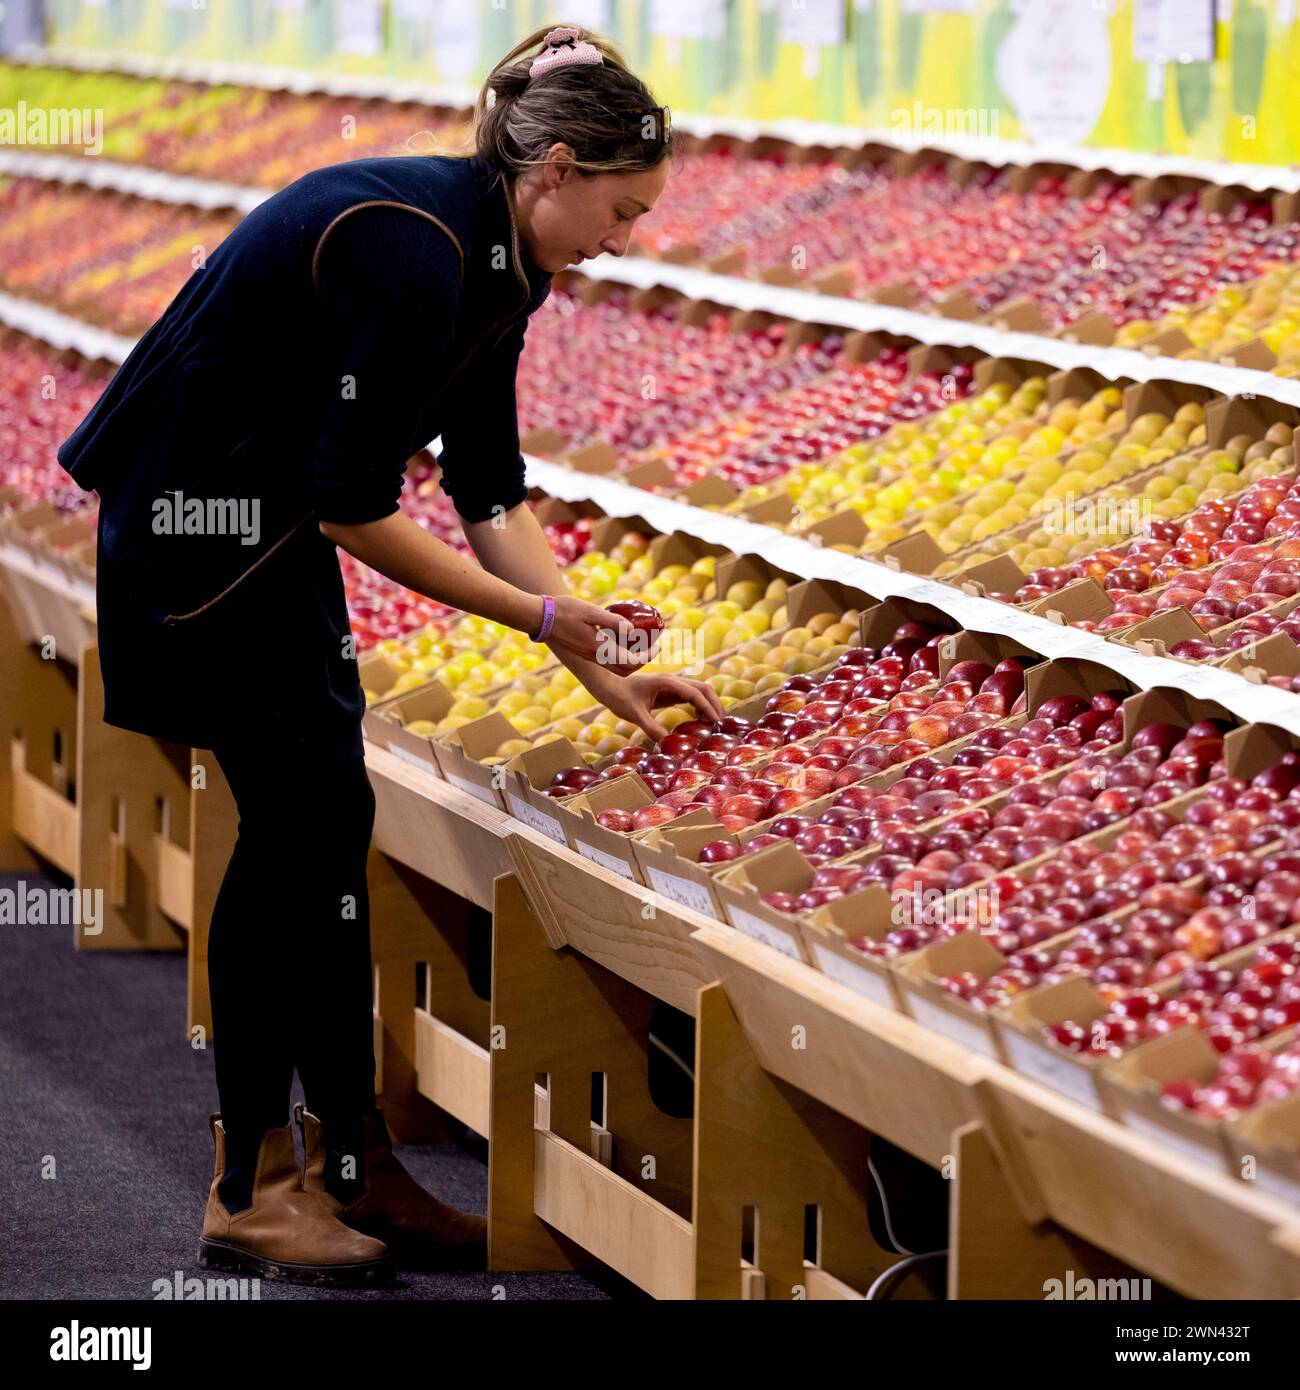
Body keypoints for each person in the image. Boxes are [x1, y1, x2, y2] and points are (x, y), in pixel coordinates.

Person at [56, 23, 721, 1287]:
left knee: (324, 820)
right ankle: (246, 1188)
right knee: (294, 831)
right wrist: (539, 624)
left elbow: (486, 485)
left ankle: (350, 1166)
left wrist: (596, 655)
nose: (624, 241)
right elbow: (358, 503)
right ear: (558, 167)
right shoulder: (410, 249)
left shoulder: (501, 262)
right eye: (621, 211)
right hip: (201, 540)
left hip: (270, 536)